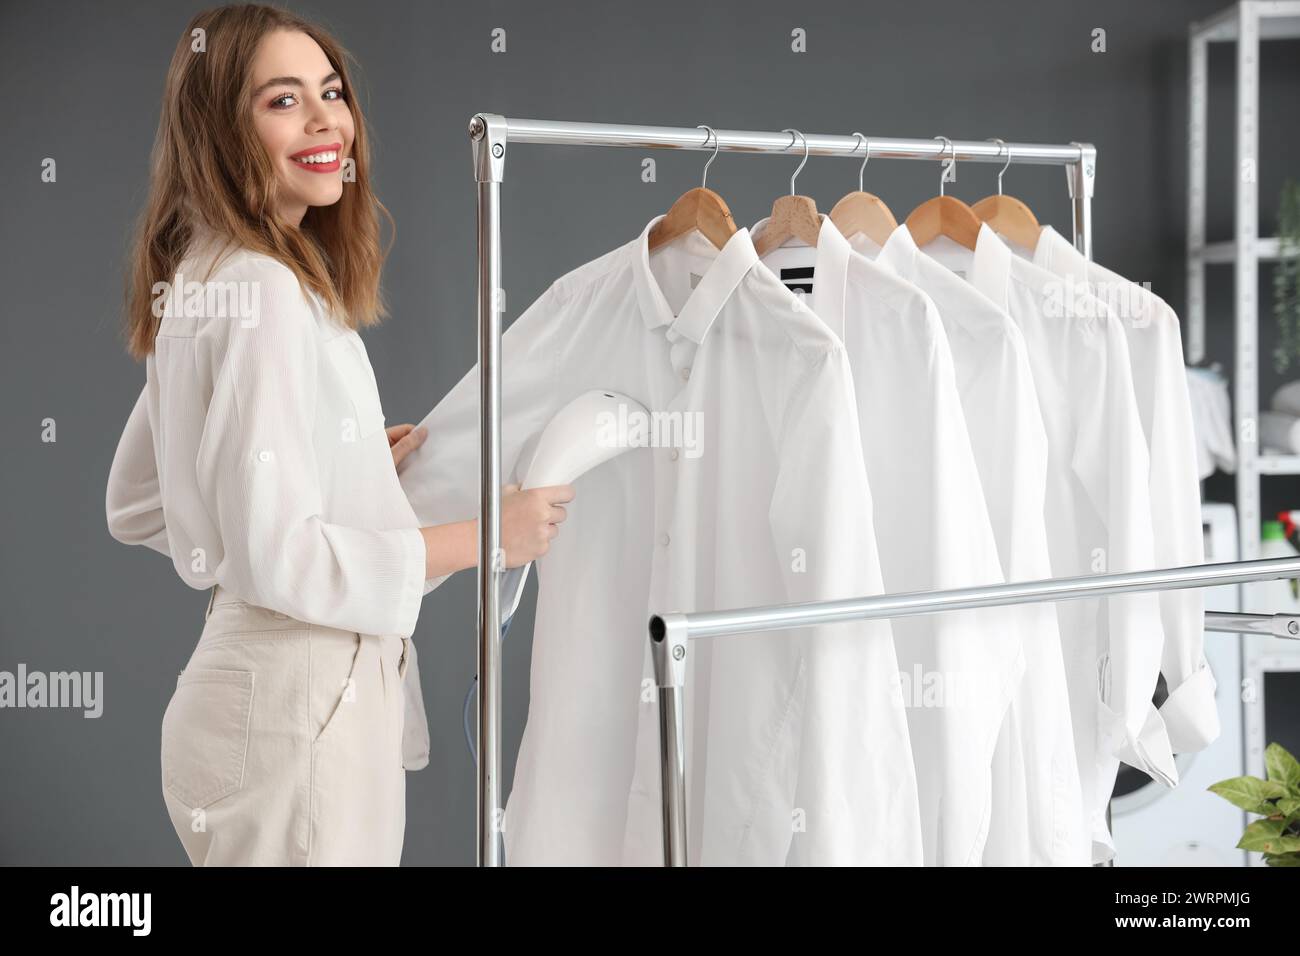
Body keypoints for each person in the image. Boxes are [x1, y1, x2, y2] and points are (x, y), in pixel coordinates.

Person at [105, 3, 573, 865]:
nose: (328, 120)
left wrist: (335, 467)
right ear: (218, 129)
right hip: (298, 718)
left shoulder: (206, 275)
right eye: (283, 101)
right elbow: (281, 557)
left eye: (331, 91)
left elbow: (137, 502)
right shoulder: (266, 293)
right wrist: (488, 538)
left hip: (253, 715)